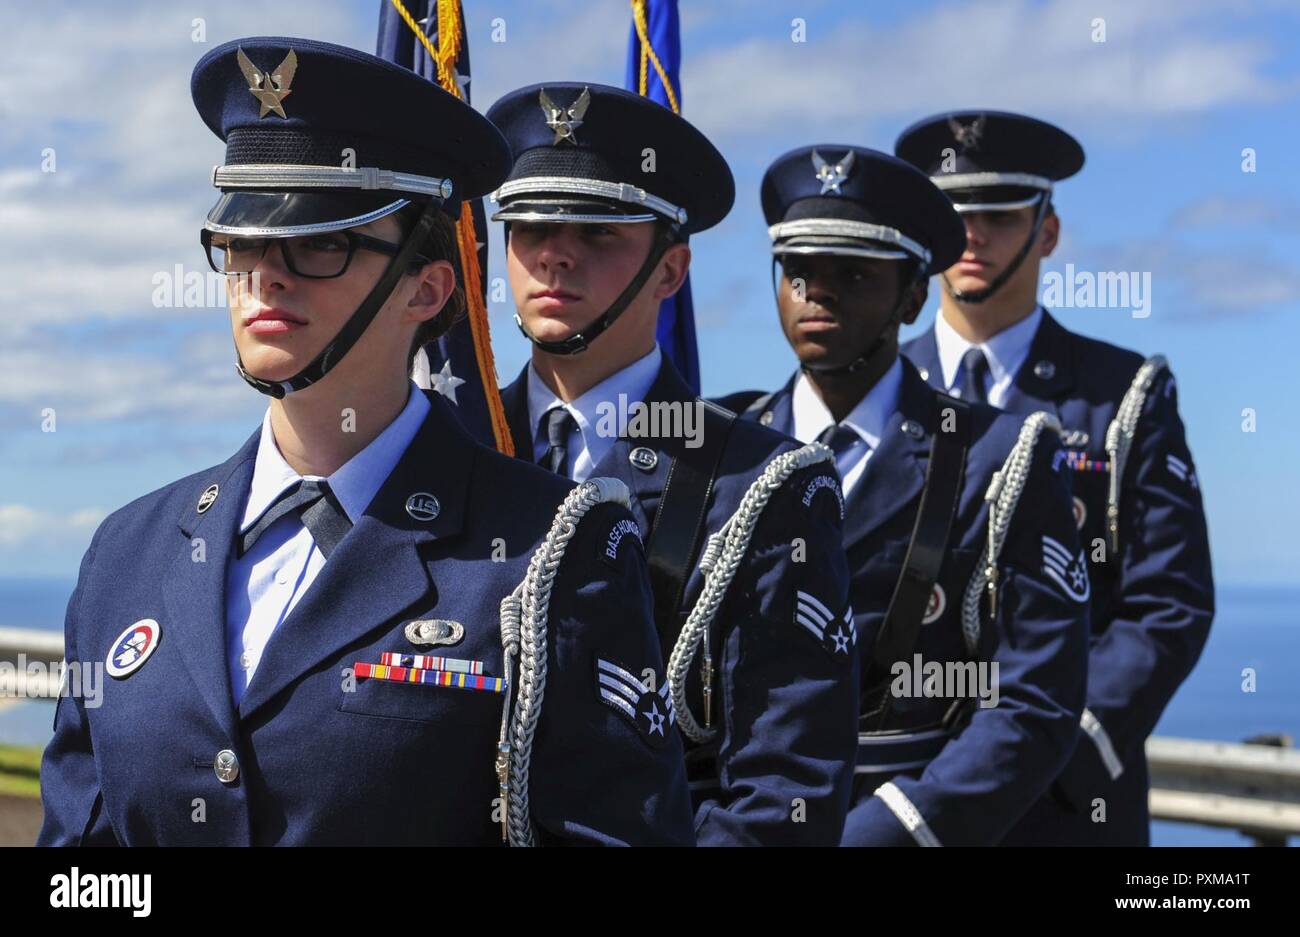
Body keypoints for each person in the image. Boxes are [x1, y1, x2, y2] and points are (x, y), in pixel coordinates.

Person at [37, 37, 693, 847]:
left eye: (321, 242)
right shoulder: (126, 553)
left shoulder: (555, 552)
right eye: (243, 241)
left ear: (427, 286)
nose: (266, 274)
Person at [486, 83, 859, 845]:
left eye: (598, 232)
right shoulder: (446, 443)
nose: (555, 251)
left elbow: (785, 789)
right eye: (530, 226)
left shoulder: (760, 485)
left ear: (670, 270)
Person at [717, 145, 1090, 845]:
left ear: (915, 294)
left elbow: (1033, 699)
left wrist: (891, 829)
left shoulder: (998, 458)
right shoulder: (723, 448)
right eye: (798, 272)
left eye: (853, 273)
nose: (817, 293)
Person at [896, 111, 1214, 845]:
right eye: (952, 215)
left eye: (999, 215)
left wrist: (1056, 746)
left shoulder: (1123, 394)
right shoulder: (873, 390)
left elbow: (1169, 603)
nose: (971, 235)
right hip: (898, 790)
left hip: (1064, 804)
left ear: (1047, 232)